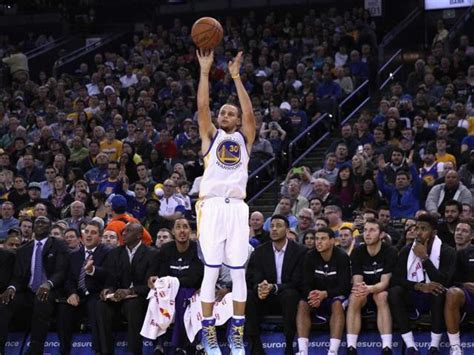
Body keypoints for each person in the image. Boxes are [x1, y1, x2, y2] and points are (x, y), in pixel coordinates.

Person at [196, 49, 256, 354]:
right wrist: (205, 72)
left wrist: (235, 77)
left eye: (230, 113)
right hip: (212, 206)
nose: (226, 116)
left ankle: (236, 335)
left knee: (238, 273)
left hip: (238, 208)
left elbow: (249, 115)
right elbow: (203, 106)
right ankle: (208, 335)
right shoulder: (211, 136)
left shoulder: (245, 137)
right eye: (223, 113)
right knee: (210, 271)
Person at [388, 213, 456, 354]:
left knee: (438, 289)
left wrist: (424, 258)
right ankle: (410, 345)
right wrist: (419, 286)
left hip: (435, 296)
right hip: (415, 293)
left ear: (434, 232)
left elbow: (444, 280)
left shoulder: (447, 251)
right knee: (394, 292)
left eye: (423, 229)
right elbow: (396, 279)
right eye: (417, 228)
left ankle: (434, 346)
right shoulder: (407, 250)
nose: (418, 232)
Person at [0, 216, 68, 354]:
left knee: (41, 299)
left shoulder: (58, 244)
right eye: (37, 222)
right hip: (28, 291)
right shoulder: (24, 249)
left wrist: (48, 284)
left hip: (51, 290)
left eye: (44, 222)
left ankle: (36, 349)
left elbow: (61, 271)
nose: (39, 224)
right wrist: (11, 288)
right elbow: (18, 277)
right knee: (5, 302)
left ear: (49, 227)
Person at [246, 215, 306, 354]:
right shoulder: (260, 251)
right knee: (248, 295)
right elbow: (253, 277)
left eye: (278, 226)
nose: (274, 229)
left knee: (290, 295)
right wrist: (260, 287)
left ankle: (289, 345)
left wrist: (275, 287)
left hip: (287, 294)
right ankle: (255, 344)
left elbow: (298, 281)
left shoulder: (300, 251)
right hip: (265, 295)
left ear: (287, 230)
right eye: (272, 226)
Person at [96, 222, 157, 355]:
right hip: (118, 297)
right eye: (123, 231)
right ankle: (106, 351)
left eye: (128, 231)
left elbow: (150, 285)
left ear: (139, 235)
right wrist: (108, 290)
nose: (123, 233)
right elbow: (110, 279)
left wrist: (130, 291)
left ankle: (135, 351)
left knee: (132, 305)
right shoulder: (115, 253)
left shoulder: (151, 254)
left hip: (140, 298)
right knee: (101, 305)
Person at [147, 218, 204, 352]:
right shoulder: (166, 249)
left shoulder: (197, 249)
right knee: (155, 297)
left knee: (182, 295)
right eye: (178, 227)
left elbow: (194, 278)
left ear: (190, 231)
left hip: (191, 291)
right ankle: (158, 345)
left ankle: (180, 345)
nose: (182, 230)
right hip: (168, 291)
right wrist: (152, 279)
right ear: (173, 231)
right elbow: (156, 273)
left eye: (185, 227)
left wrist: (172, 281)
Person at [57, 221, 111, 355]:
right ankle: (64, 350)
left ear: (100, 237)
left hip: (96, 294)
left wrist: (93, 270)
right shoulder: (74, 254)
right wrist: (72, 293)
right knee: (64, 308)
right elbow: (69, 279)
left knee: (95, 306)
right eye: (86, 232)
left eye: (93, 233)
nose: (89, 235)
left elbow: (109, 274)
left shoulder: (108, 252)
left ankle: (98, 350)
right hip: (78, 295)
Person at [346, 219, 398, 354]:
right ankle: (351, 347)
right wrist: (362, 289)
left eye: (372, 230)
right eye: (365, 230)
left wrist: (369, 289)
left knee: (381, 295)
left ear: (381, 235)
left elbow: (384, 283)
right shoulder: (357, 252)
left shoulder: (390, 251)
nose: (367, 234)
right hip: (365, 291)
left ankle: (387, 347)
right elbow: (357, 280)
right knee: (355, 296)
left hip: (381, 292)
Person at [296, 227, 351, 355]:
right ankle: (303, 350)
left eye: (323, 239)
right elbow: (304, 282)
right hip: (316, 296)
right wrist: (312, 295)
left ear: (332, 241)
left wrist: (325, 294)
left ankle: (333, 351)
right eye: (317, 239)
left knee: (337, 304)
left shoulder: (342, 257)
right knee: (303, 304)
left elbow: (344, 286)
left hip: (334, 295)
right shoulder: (310, 256)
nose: (318, 242)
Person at [444, 239, 474, 355]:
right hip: (468, 294)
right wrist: (464, 284)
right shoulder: (464, 253)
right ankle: (455, 347)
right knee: (453, 293)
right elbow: (453, 279)